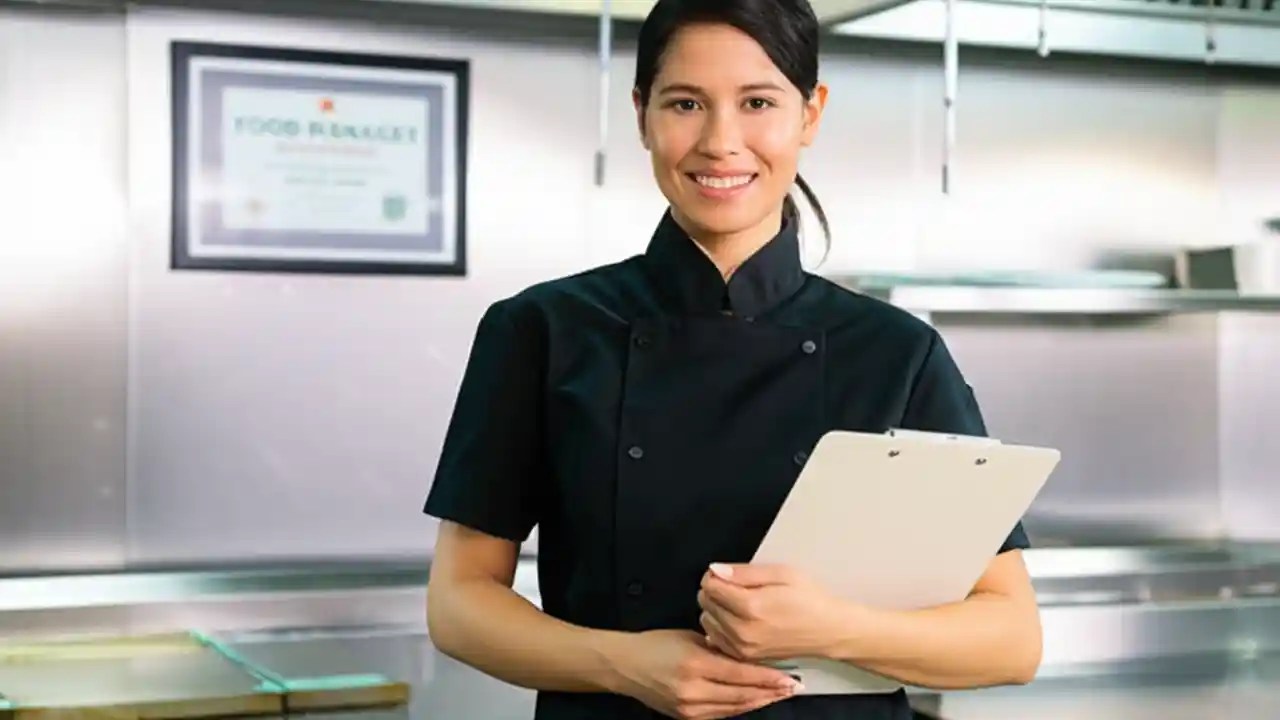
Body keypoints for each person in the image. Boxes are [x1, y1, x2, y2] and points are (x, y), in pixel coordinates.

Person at [422, 0, 1043, 718]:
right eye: (685, 102)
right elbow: (459, 603)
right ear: (641, 114)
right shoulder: (542, 329)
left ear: (810, 114)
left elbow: (1011, 637)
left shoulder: (897, 352)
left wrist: (838, 631)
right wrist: (624, 665)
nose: (721, 142)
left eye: (758, 102)